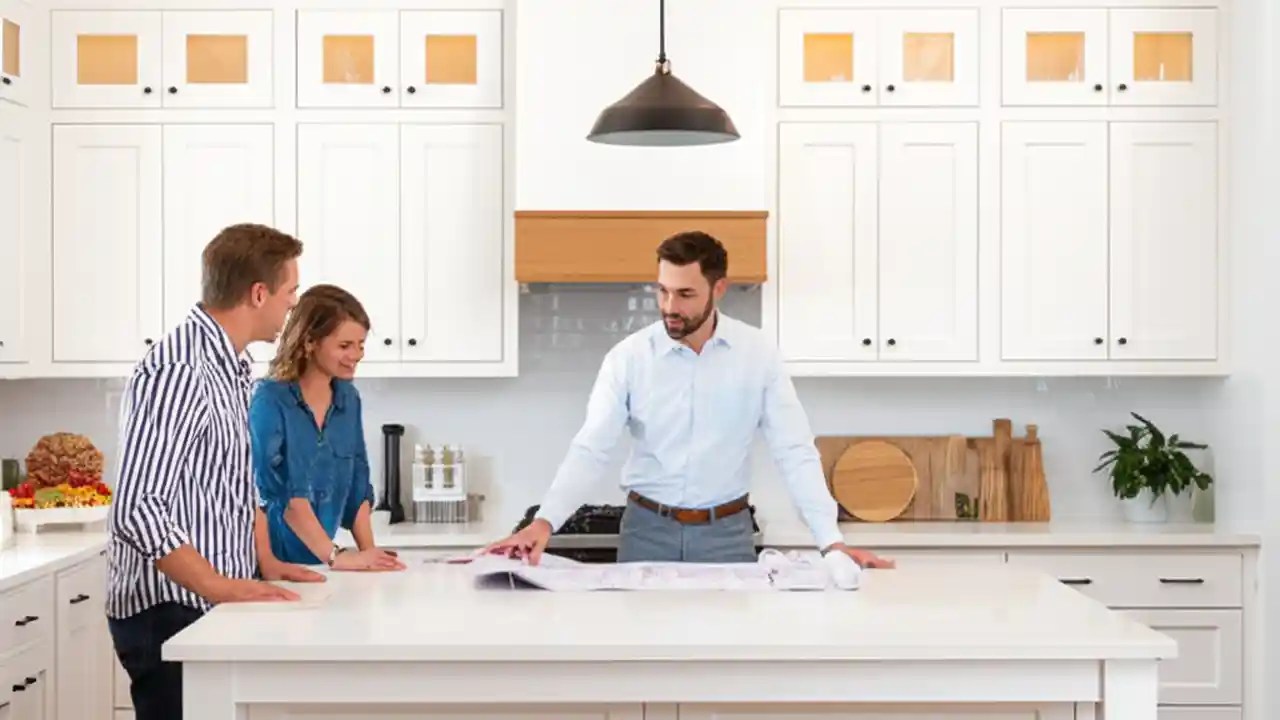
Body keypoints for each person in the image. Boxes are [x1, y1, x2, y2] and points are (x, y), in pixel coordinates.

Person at [486, 231, 895, 569]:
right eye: (662, 292)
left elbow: (794, 450)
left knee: (724, 660)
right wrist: (544, 522)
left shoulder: (758, 356)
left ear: (719, 288)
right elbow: (591, 448)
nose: (669, 308)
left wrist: (831, 542)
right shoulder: (628, 358)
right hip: (647, 531)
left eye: (685, 294)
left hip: (727, 535)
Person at [106, 223, 325, 720]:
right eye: (290, 292)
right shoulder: (180, 368)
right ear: (257, 293)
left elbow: (231, 484)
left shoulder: (230, 367)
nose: (292, 306)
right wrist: (221, 585)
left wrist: (262, 561)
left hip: (205, 603)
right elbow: (138, 509)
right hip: (170, 610)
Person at [249, 284, 405, 571]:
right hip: (267, 569)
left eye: (360, 344)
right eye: (345, 346)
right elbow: (283, 494)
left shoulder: (348, 398)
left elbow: (358, 481)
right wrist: (336, 556)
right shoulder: (269, 400)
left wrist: (369, 553)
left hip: (320, 565)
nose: (356, 355)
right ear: (310, 342)